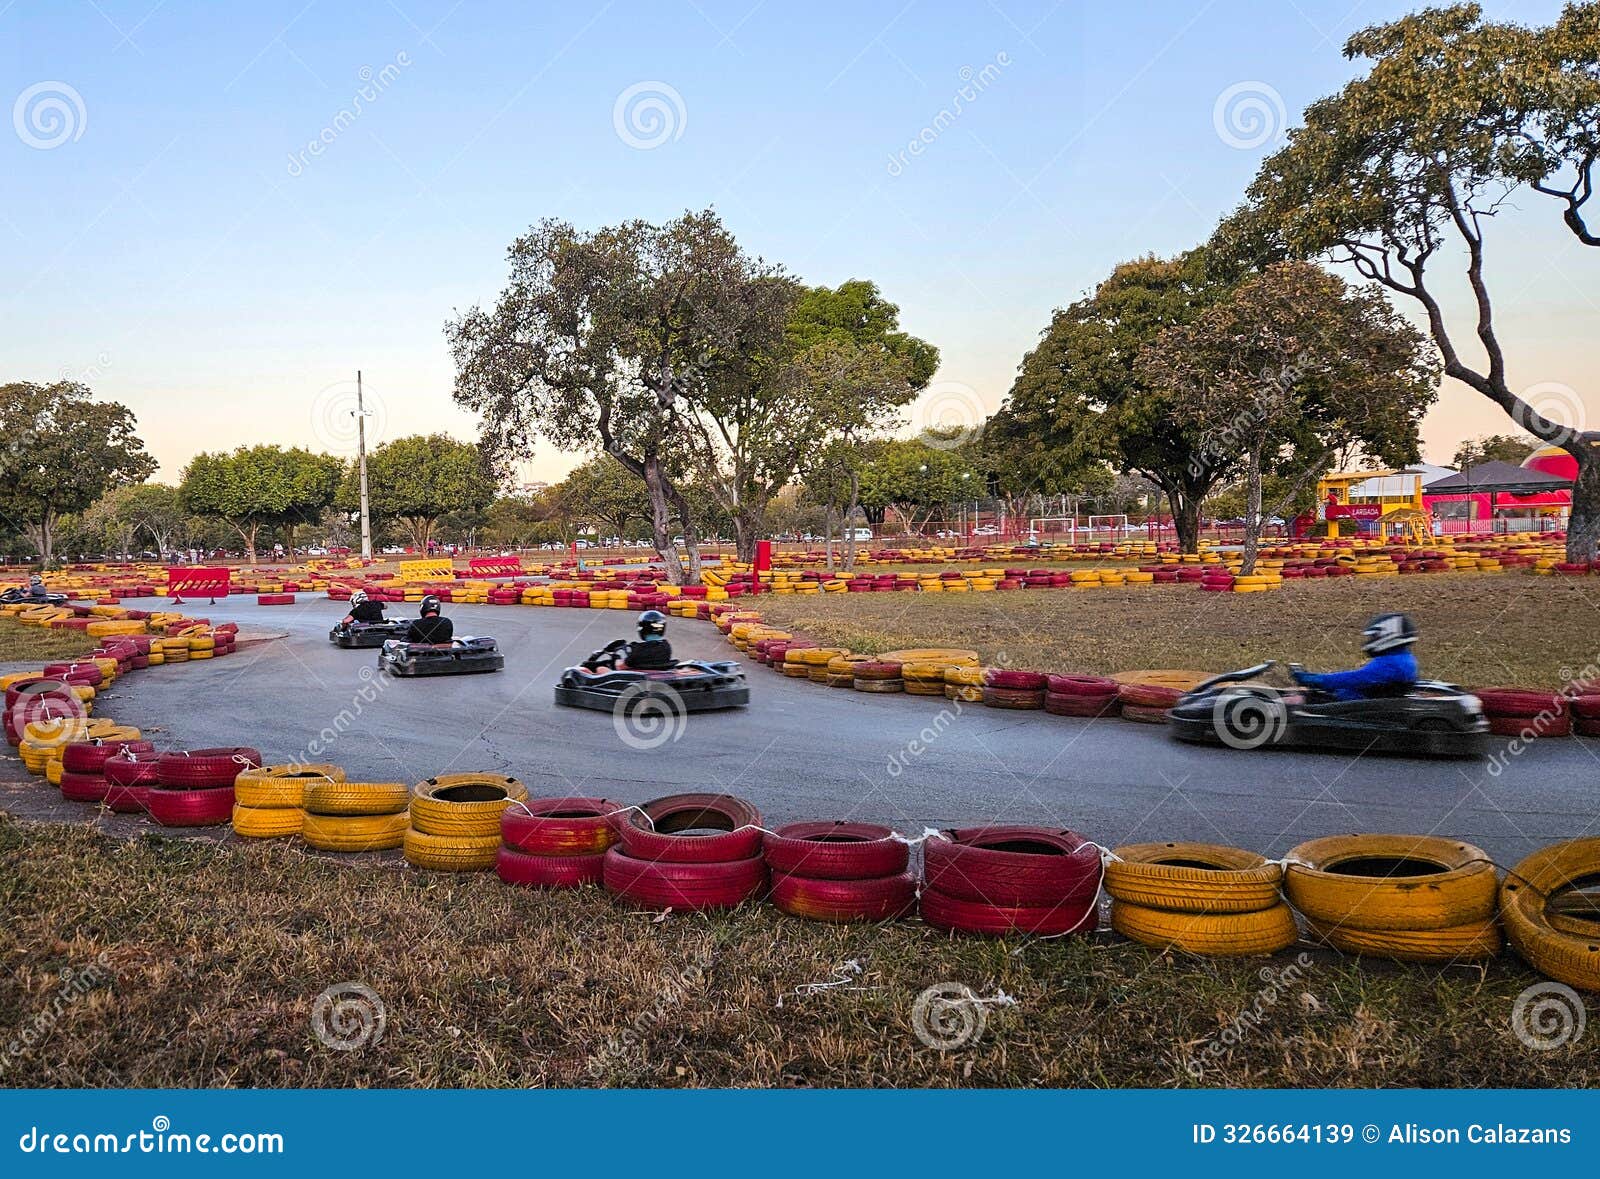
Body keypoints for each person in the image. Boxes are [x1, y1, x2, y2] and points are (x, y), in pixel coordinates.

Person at [1292, 613, 1419, 701]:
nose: (1371, 640)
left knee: (1296, 701)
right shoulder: (1404, 658)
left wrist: (1318, 680)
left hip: (1357, 706)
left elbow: (1355, 678)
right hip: (1366, 700)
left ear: (1389, 635)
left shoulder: (1391, 663)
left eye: (1375, 636)